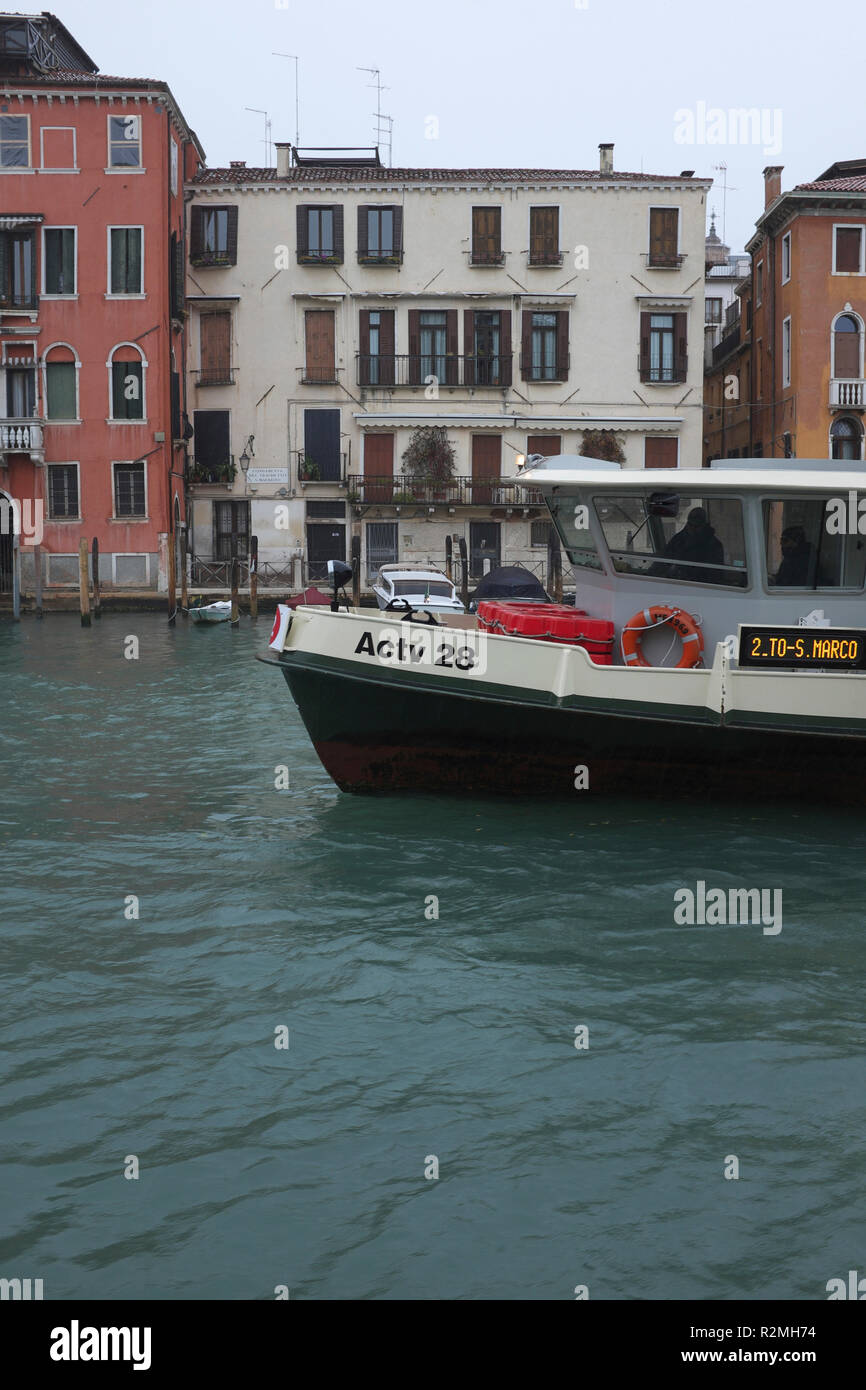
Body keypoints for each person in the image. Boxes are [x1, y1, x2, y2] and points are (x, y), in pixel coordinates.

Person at [660, 506, 725, 582]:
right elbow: (666, 557)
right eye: (690, 524)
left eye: (697, 526)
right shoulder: (678, 539)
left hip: (699, 583)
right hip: (675, 580)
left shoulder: (714, 545)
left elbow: (715, 573)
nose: (692, 529)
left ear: (704, 525)